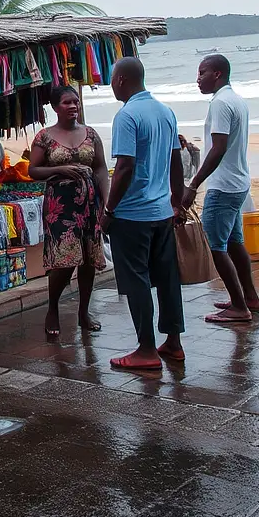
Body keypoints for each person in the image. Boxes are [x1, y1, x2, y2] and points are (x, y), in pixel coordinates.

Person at [101, 56, 185, 372]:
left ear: (121, 80)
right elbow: (176, 159)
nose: (110, 85)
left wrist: (109, 209)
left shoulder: (127, 116)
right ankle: (173, 342)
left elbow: (124, 167)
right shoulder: (166, 112)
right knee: (167, 278)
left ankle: (146, 348)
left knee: (136, 280)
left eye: (111, 79)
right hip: (162, 211)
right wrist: (177, 201)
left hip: (133, 214)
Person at [179, 54, 259, 326]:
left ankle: (239, 306)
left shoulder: (221, 103)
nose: (197, 79)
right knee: (235, 242)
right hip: (238, 182)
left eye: (202, 73)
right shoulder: (236, 100)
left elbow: (218, 148)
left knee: (216, 246)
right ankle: (249, 297)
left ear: (217, 74)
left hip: (223, 186)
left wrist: (194, 184)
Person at [29, 85, 110, 340]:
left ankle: (83, 313)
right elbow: (33, 170)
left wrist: (105, 204)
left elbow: (100, 169)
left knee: (87, 260)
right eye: (67, 102)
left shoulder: (91, 134)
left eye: (75, 101)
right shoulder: (45, 137)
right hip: (59, 207)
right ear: (55, 107)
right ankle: (52, 308)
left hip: (88, 204)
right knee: (64, 262)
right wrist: (62, 170)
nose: (73, 106)